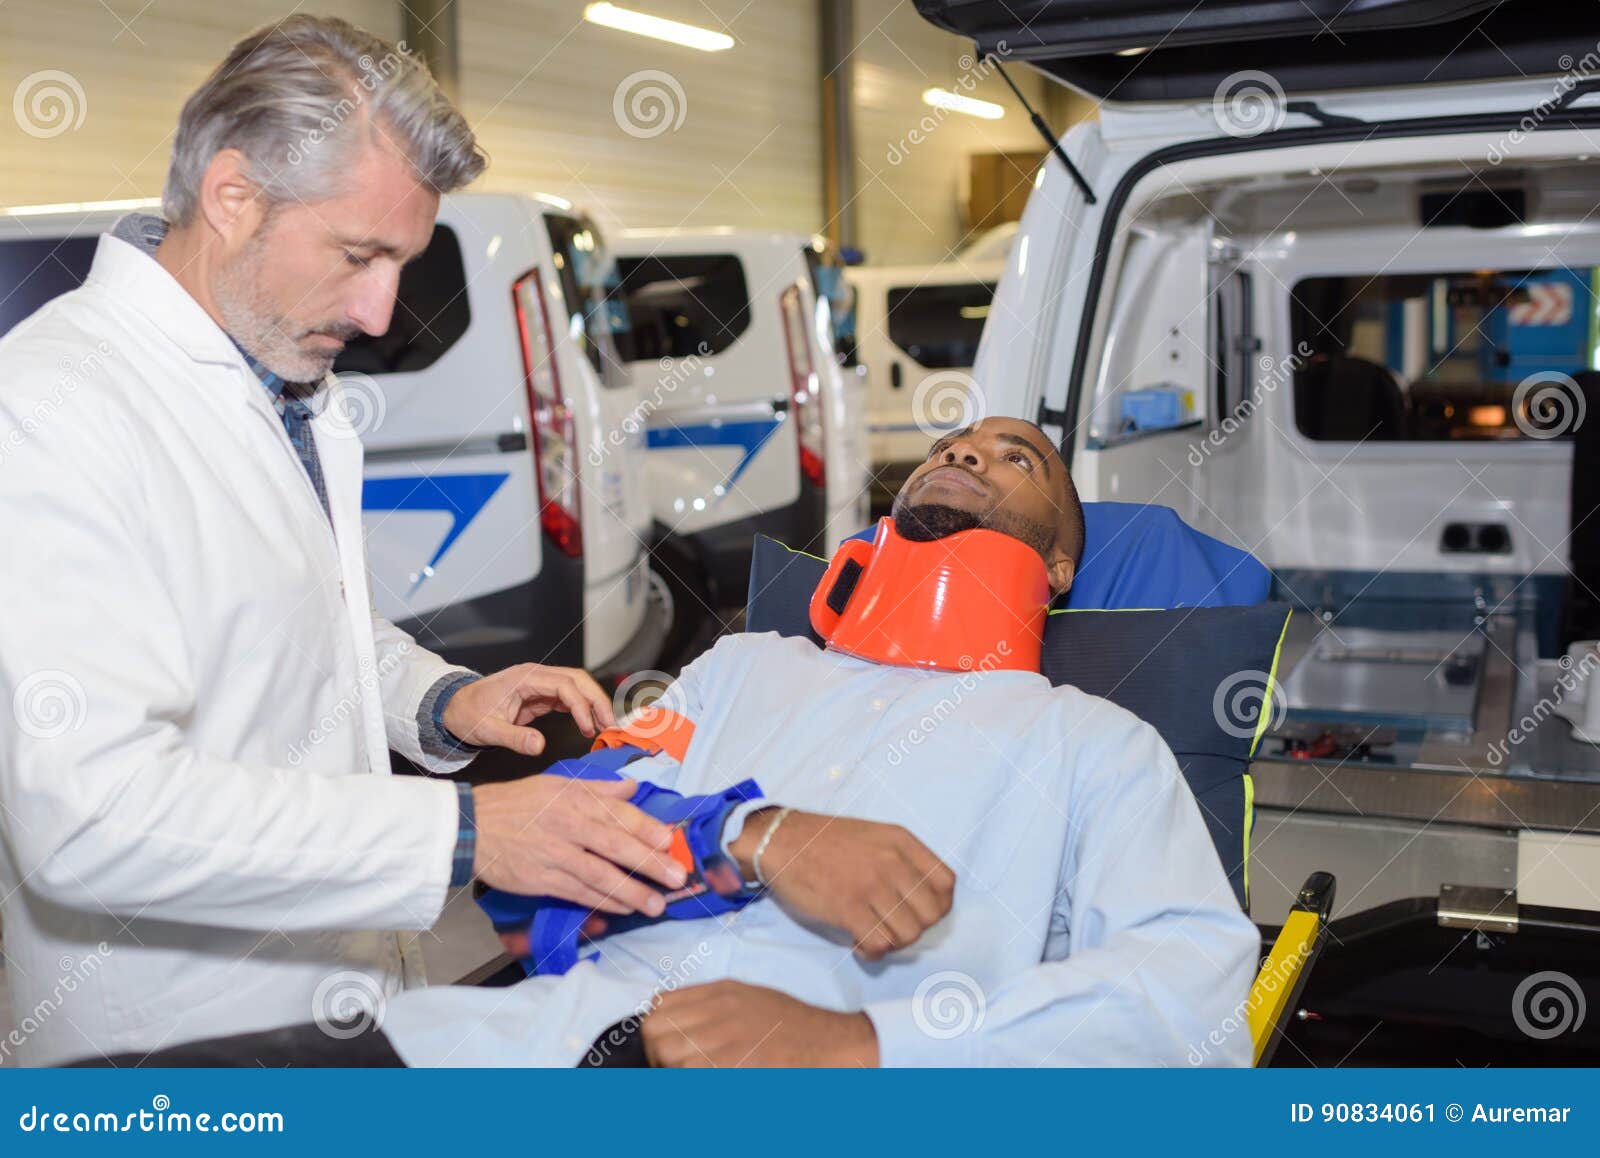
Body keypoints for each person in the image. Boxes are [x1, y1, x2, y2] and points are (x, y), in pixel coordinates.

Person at [85, 417, 1262, 1068]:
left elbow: (1183, 1001)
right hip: (534, 1045)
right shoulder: (745, 667)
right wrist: (753, 835)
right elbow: (556, 851)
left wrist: (865, 1046)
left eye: (1018, 459)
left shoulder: (1094, 745)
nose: (968, 451)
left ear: (1057, 568)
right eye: (953, 441)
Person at [0, 16, 685, 1068]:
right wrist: (470, 835)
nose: (379, 311)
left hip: (341, 998)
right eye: (361, 254)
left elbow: (299, 619)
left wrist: (438, 699)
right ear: (232, 198)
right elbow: (91, 814)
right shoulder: (48, 410)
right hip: (180, 1046)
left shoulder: (278, 384)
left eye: (400, 260)